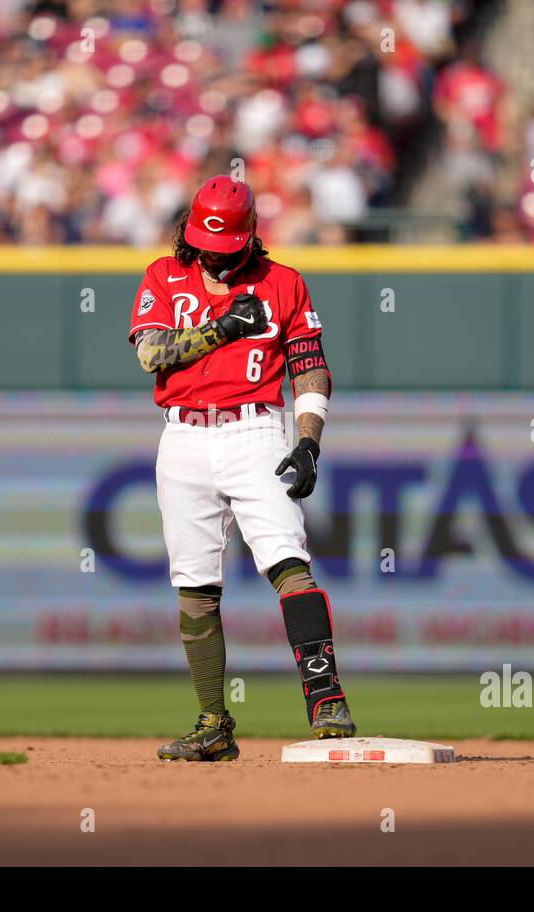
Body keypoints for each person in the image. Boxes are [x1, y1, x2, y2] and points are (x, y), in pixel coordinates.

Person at [128, 175, 357, 762]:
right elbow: (150, 353)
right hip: (182, 434)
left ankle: (325, 697)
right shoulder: (163, 276)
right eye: (207, 246)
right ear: (190, 233)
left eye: (226, 247)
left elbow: (309, 365)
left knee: (287, 559)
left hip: (255, 429)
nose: (216, 259)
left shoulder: (284, 283)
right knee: (194, 583)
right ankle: (213, 723)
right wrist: (218, 329)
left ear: (250, 236)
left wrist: (309, 441)